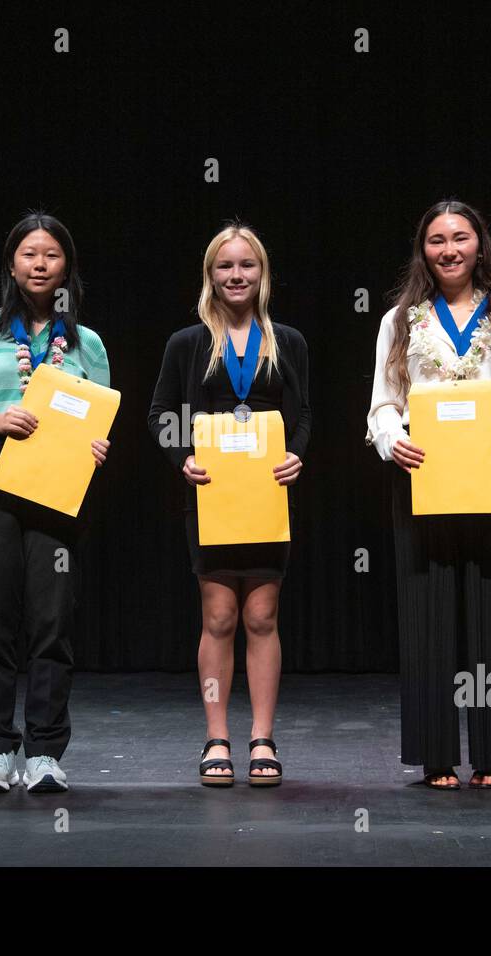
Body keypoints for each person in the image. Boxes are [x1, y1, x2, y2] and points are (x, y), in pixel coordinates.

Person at [0, 213, 110, 794]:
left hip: (58, 480)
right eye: (29, 254)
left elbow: (99, 412)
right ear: (11, 263)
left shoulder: (86, 342)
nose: (40, 264)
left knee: (51, 619)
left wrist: (98, 445)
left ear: (68, 267)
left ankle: (45, 753)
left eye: (52, 255)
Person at [366, 200, 491, 790]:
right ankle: (435, 754)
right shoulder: (400, 320)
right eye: (436, 240)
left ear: (479, 246)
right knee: (426, 615)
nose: (449, 250)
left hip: (489, 478)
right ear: (423, 250)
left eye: (460, 238)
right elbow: (383, 403)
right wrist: (394, 441)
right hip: (422, 479)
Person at [147, 224, 310, 787]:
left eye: (247, 266)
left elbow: (303, 414)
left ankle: (262, 737)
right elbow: (160, 412)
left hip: (267, 496)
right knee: (218, 617)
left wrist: (295, 455)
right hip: (212, 495)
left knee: (263, 616)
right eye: (225, 267)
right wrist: (181, 459)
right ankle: (217, 737)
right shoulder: (187, 343)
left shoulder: (287, 340)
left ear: (262, 274)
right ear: (210, 276)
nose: (236, 276)